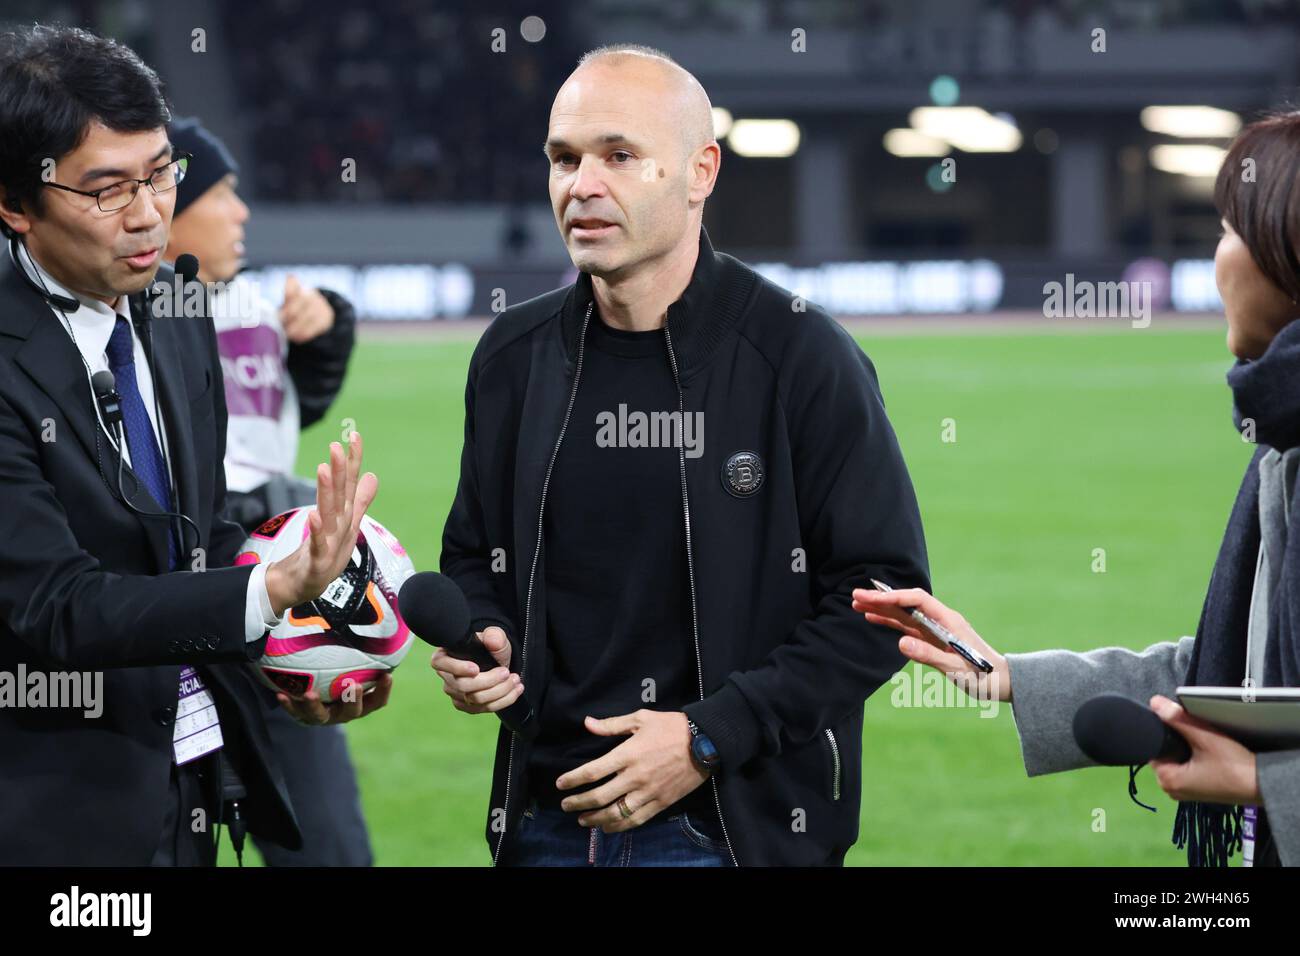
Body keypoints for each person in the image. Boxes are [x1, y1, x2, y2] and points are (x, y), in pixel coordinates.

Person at [436, 44, 929, 866]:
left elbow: (882, 603)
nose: (581, 185)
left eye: (619, 156)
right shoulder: (511, 356)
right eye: (564, 158)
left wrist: (708, 735)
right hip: (546, 821)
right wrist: (480, 635)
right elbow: (472, 555)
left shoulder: (803, 356)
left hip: (728, 829)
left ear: (701, 172)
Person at [853, 112, 1300, 869]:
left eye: (1229, 230)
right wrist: (1006, 674)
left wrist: (1271, 782)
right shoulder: (1280, 446)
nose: (1217, 256)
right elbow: (1240, 673)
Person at [0, 24, 385, 866]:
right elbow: (57, 606)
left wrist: (296, 660)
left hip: (188, 796)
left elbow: (196, 546)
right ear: (16, 203)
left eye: (161, 175)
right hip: (52, 817)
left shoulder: (175, 314)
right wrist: (270, 587)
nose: (148, 216)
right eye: (106, 190)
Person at [163, 116, 372, 867]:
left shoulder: (256, 303)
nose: (242, 212)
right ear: (167, 204)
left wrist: (327, 330)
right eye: (223, 193)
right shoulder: (127, 318)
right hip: (181, 586)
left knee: (325, 836)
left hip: (271, 568)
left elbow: (287, 410)